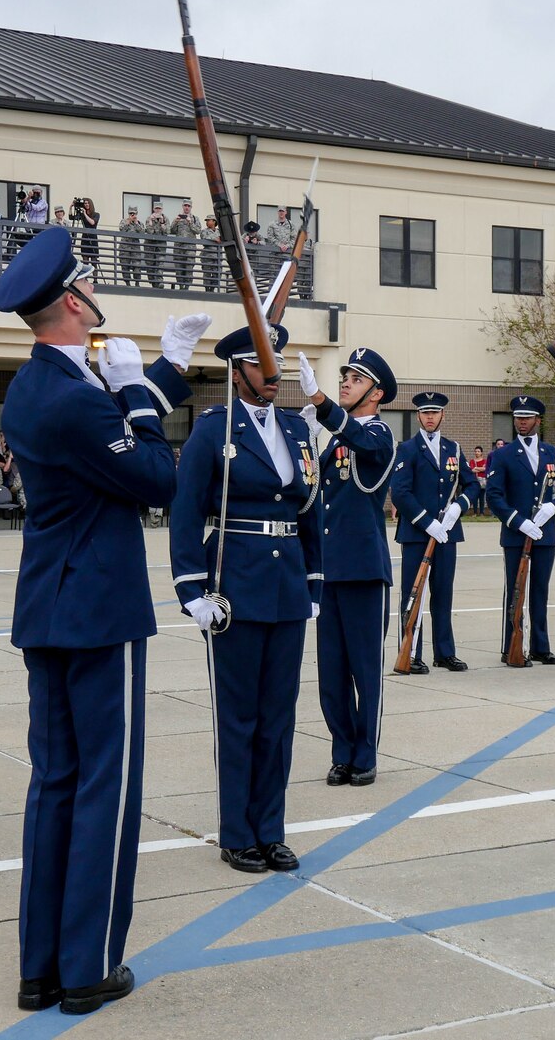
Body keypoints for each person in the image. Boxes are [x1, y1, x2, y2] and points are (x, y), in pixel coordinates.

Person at [0, 226, 207, 1014]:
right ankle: (87, 965)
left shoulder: (31, 387)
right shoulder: (80, 399)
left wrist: (163, 373)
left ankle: (40, 965)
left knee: (54, 782)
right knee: (105, 789)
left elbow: (101, 435)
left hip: (50, 606)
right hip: (99, 610)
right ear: (75, 303)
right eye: (87, 288)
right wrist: (139, 397)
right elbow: (153, 474)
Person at [170, 324, 321, 873]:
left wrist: (314, 581)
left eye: (276, 362)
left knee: (279, 717)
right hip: (233, 582)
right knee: (239, 717)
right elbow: (185, 511)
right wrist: (191, 586)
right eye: (262, 364)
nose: (274, 373)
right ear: (238, 371)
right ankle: (237, 831)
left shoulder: (296, 430)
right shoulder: (214, 429)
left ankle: (271, 829)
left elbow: (309, 508)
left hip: (286, 588)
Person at [300, 347, 396, 786]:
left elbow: (366, 446)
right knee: (332, 672)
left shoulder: (379, 434)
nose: (345, 384)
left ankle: (365, 753)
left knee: (364, 668)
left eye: (355, 379)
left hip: (363, 569)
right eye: (344, 377)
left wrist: (322, 405)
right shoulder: (336, 437)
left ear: (376, 394)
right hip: (331, 571)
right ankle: (341, 751)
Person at [390, 392, 479, 674]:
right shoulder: (407, 449)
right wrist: (427, 522)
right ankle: (411, 651)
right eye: (425, 413)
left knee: (443, 593)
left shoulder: (453, 448)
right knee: (413, 594)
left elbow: (473, 485)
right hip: (417, 534)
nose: (430, 417)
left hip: (448, 534)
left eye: (435, 412)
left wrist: (458, 508)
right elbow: (400, 492)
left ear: (443, 415)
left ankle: (444, 652)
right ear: (418, 416)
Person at [485, 395, 555, 666]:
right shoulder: (502, 455)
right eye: (518, 418)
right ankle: (510, 647)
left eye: (527, 417)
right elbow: (494, 495)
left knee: (540, 590)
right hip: (516, 534)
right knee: (515, 591)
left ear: (538, 420)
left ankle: (540, 646)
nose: (521, 422)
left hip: (545, 534)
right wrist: (517, 520)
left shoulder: (553, 453)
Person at [170, 198, 201, 290]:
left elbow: (198, 231)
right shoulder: (177, 218)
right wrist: (176, 221)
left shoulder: (195, 218)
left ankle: (187, 287)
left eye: (188, 206)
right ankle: (180, 286)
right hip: (178, 248)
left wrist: (190, 222)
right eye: (185, 206)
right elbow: (171, 231)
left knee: (189, 268)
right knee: (179, 269)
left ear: (191, 207)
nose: (187, 208)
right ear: (182, 206)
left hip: (190, 248)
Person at [117, 205, 145, 286]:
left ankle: (137, 283)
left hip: (135, 248)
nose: (132, 215)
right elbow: (121, 230)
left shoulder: (139, 223)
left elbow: (142, 233)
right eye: (131, 213)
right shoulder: (124, 221)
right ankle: (127, 283)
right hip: (124, 247)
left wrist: (136, 223)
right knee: (125, 266)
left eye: (134, 213)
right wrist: (127, 223)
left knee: (137, 266)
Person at [144, 202, 169, 288]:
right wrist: (151, 221)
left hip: (160, 246)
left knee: (160, 264)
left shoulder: (165, 219)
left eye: (159, 208)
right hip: (150, 246)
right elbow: (149, 231)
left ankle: (160, 281)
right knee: (150, 265)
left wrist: (162, 223)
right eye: (156, 208)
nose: (158, 210)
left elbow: (167, 232)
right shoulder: (149, 218)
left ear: (162, 209)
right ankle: (153, 283)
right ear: (154, 209)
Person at [73, 197, 101, 275]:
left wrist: (85, 214)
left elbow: (92, 223)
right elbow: (72, 217)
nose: (86, 205)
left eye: (88, 203)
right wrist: (71, 206)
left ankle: (95, 280)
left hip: (93, 238)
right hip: (85, 238)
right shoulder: (82, 214)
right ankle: (85, 279)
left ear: (91, 204)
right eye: (85, 203)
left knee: (94, 261)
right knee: (85, 261)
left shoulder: (96, 214)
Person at [200, 215, 222, 291]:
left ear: (214, 221)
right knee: (207, 274)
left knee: (217, 274)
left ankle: (212, 289)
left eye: (209, 220)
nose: (207, 222)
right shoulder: (204, 231)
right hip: (207, 256)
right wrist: (215, 239)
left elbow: (224, 239)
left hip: (217, 256)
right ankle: (207, 290)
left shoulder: (219, 231)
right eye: (206, 221)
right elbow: (204, 237)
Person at [469, 445, 488, 514]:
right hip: (475, 481)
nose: (477, 453)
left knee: (482, 497)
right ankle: (475, 512)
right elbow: (472, 470)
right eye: (476, 451)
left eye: (478, 451)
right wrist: (480, 468)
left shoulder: (485, 461)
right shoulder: (472, 461)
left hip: (483, 481)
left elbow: (485, 469)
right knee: (475, 497)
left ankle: (482, 512)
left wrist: (476, 468)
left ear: (481, 453)